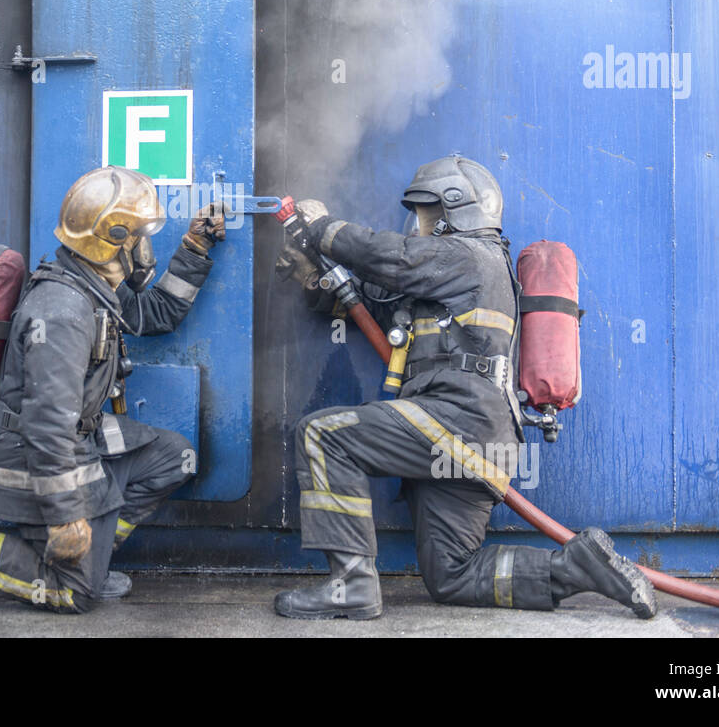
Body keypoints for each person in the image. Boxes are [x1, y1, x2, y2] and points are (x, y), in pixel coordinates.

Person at [273, 155, 657, 621]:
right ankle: (575, 568)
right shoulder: (452, 277)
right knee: (453, 576)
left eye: (427, 212)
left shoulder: (471, 255)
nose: (419, 223)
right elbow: (369, 301)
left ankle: (351, 585)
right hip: (479, 443)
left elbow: (389, 258)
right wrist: (311, 278)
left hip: (458, 422)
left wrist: (322, 228)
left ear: (456, 210)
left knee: (323, 434)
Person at [0, 166, 224, 614]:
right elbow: (46, 426)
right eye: (138, 235)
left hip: (75, 440)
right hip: (36, 456)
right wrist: (66, 517)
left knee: (172, 456)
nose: (145, 247)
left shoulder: (91, 282)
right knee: (74, 595)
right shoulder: (64, 312)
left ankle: (91, 560)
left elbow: (154, 315)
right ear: (113, 238)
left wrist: (194, 249)